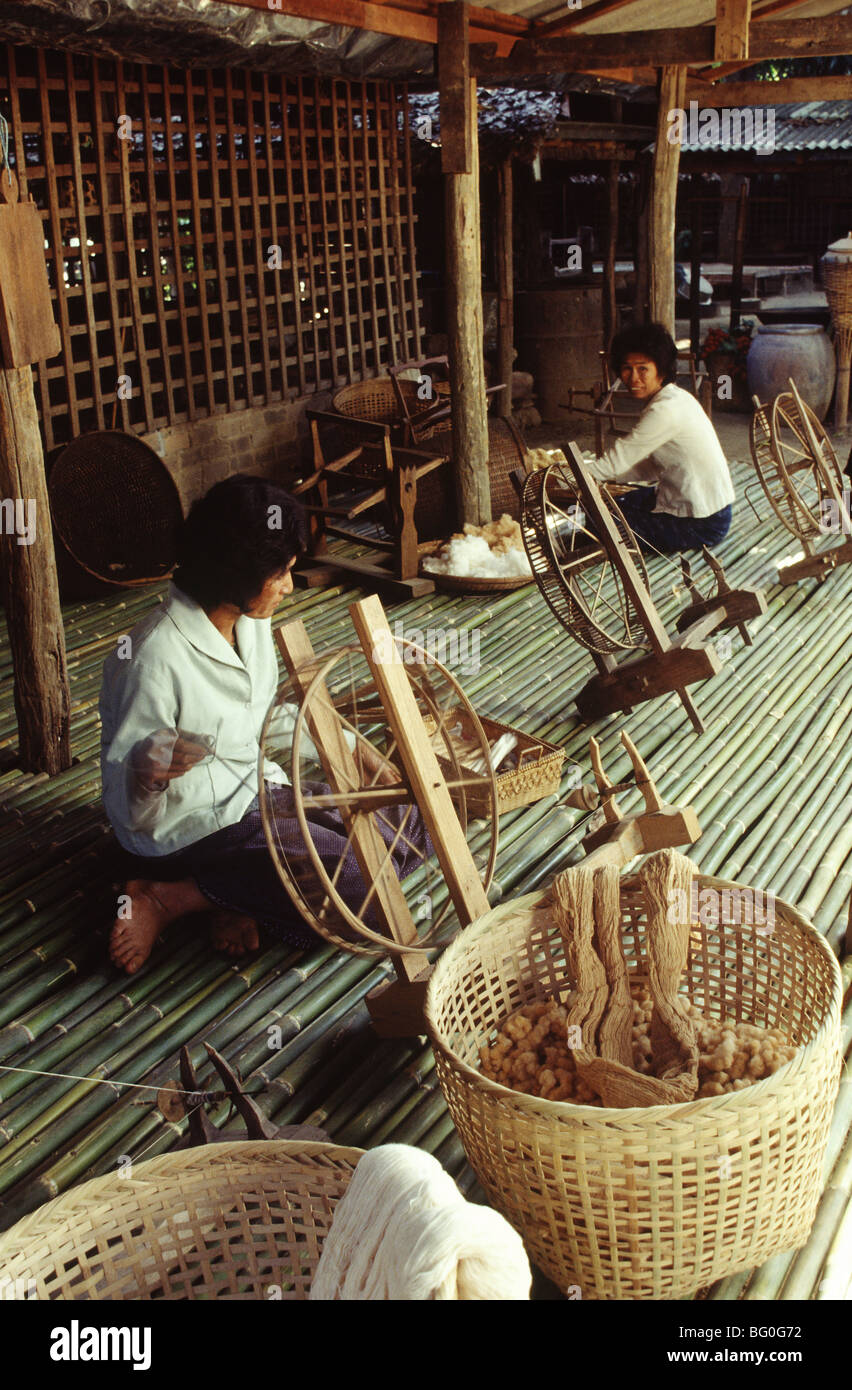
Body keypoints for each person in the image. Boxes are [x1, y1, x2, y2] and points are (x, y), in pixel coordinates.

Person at [100, 475, 427, 975]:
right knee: (361, 889)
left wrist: (357, 751)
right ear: (238, 571)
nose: (289, 587)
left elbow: (265, 720)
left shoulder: (249, 624)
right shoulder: (151, 658)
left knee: (410, 824)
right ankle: (168, 898)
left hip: (256, 793)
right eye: (282, 573)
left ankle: (234, 898)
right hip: (190, 826)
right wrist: (147, 773)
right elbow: (127, 814)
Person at [583, 323, 735, 553]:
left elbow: (619, 458)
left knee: (597, 523)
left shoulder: (664, 411)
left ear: (661, 371)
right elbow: (651, 467)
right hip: (712, 508)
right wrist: (597, 478)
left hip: (703, 522)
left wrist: (568, 479)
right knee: (613, 504)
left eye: (642, 369)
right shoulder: (676, 397)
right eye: (626, 368)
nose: (633, 377)